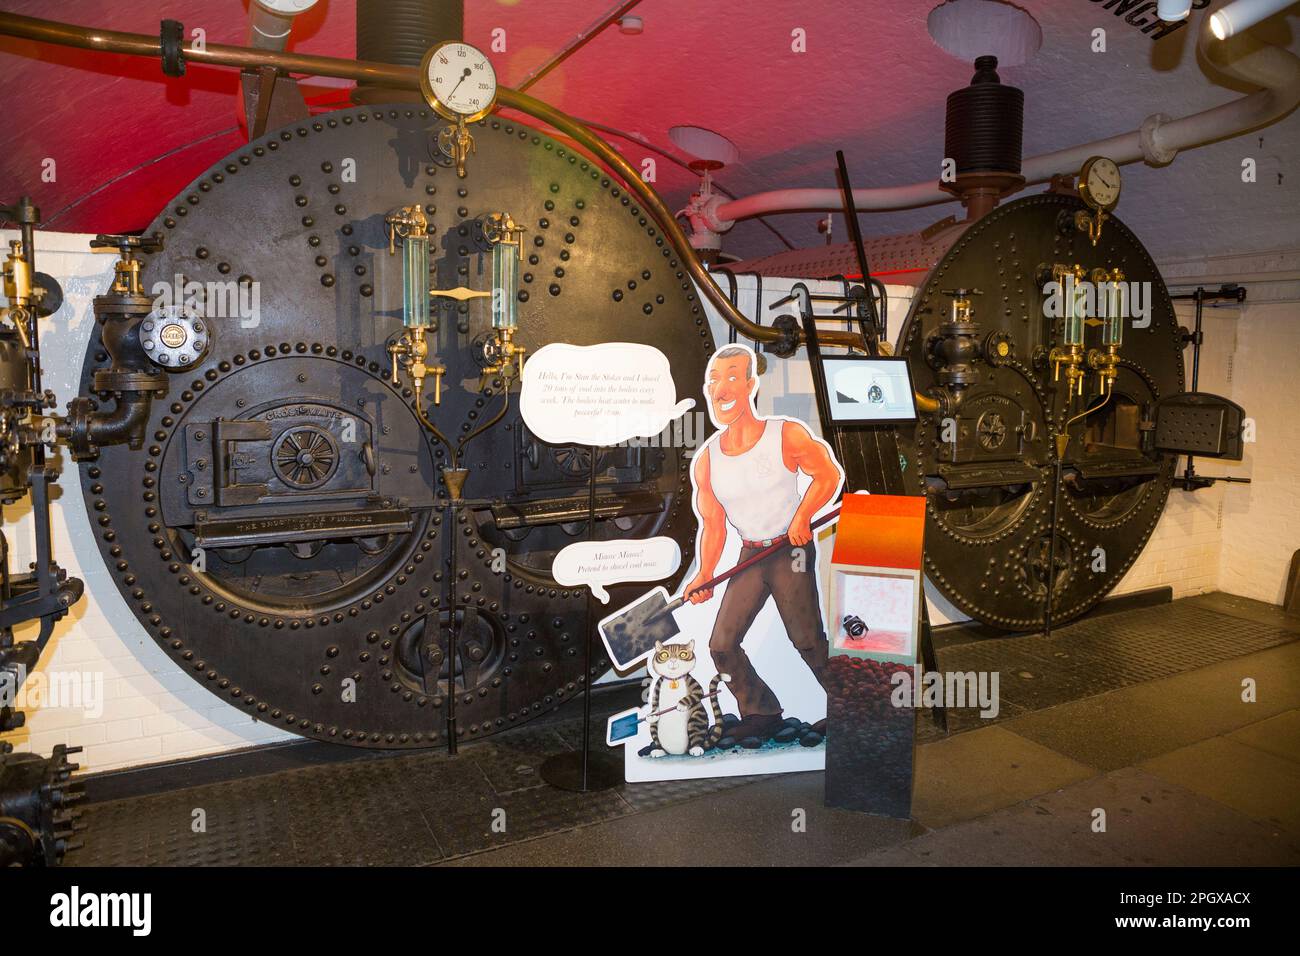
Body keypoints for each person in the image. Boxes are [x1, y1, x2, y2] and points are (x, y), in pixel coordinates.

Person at [684, 345, 843, 742]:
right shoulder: (707, 460)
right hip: (752, 554)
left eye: (732, 378)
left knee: (807, 640)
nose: (720, 390)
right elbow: (714, 524)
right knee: (721, 644)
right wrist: (705, 574)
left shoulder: (784, 434)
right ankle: (761, 711)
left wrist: (803, 516)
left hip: (790, 550)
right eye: (714, 380)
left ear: (751, 386)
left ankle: (853, 709)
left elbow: (827, 476)